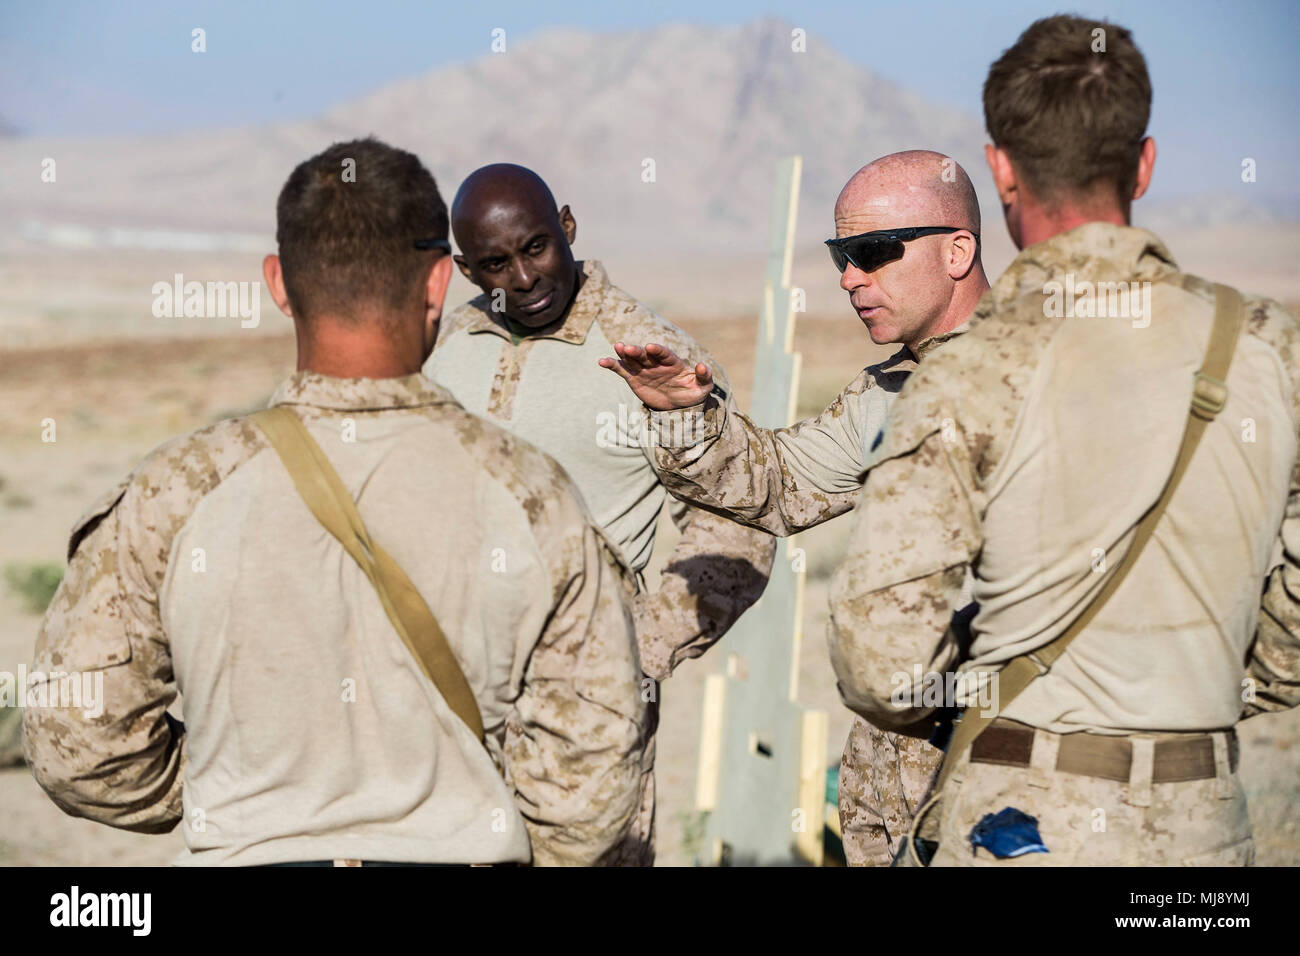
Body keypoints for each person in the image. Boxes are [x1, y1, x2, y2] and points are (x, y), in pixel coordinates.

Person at [23, 137, 649, 867]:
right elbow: (592, 787)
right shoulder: (532, 496)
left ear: (279, 285)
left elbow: (80, 746)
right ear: (440, 284)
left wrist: (243, 793)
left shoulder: (176, 490)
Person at [829, 15, 1300, 865]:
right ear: (1144, 164)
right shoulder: (1267, 346)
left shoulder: (969, 372)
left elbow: (881, 666)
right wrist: (1192, 693)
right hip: (1205, 833)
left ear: (1002, 169)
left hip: (1019, 825)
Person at [598, 150, 988, 864]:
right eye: (842, 255)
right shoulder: (888, 394)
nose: (848, 278)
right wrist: (686, 414)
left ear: (958, 250)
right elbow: (776, 486)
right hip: (895, 781)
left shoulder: (1049, 379)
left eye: (873, 253)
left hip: (1002, 776)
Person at [425, 164, 778, 860]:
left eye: (537, 247)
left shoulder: (648, 354)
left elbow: (740, 516)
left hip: (587, 712)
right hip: (454, 700)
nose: (524, 278)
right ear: (467, 271)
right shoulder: (451, 347)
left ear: (569, 227)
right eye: (496, 264)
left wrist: (636, 650)